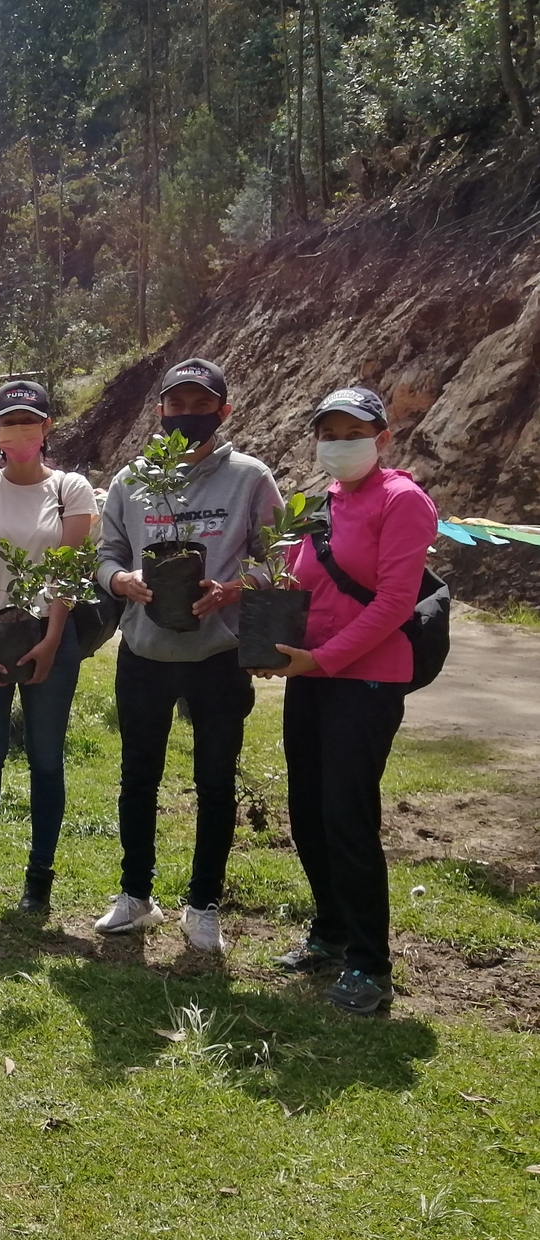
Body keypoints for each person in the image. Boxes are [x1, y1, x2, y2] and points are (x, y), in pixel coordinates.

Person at [260, 387, 437, 1014]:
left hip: (364, 682)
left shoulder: (403, 500)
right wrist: (246, 604)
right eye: (328, 432)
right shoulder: (318, 505)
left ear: (382, 437)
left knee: (347, 815)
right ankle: (330, 933)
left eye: (352, 431)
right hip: (310, 675)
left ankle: (369, 962)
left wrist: (325, 659)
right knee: (307, 809)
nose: (339, 443)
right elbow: (295, 584)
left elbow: (394, 602)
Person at [95, 357, 280, 951]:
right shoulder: (133, 480)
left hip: (218, 656)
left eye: (202, 406)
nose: (189, 416)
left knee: (214, 781)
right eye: (178, 406)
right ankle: (135, 894)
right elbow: (107, 555)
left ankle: (203, 905)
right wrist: (121, 581)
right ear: (161, 413)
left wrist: (233, 589)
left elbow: (277, 557)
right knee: (138, 777)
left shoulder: (250, 478)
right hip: (145, 652)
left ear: (223, 412)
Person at [0, 380, 98, 914]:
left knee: (45, 760)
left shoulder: (71, 490)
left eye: (28, 421)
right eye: (8, 422)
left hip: (50, 639)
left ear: (46, 428)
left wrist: (53, 638)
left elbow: (69, 573)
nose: (18, 430)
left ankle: (39, 876)